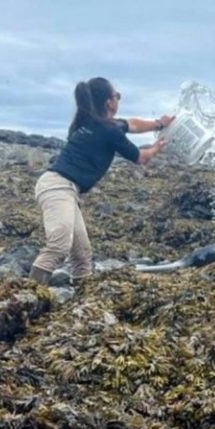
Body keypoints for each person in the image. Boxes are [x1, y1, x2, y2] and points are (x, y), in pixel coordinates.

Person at [29, 77, 173, 285]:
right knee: (58, 246)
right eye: (117, 96)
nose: (119, 100)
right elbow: (141, 158)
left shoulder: (90, 123)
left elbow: (132, 124)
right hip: (57, 187)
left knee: (81, 253)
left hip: (66, 189)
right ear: (109, 102)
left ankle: (81, 298)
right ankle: (27, 295)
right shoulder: (108, 130)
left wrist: (159, 124)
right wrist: (157, 148)